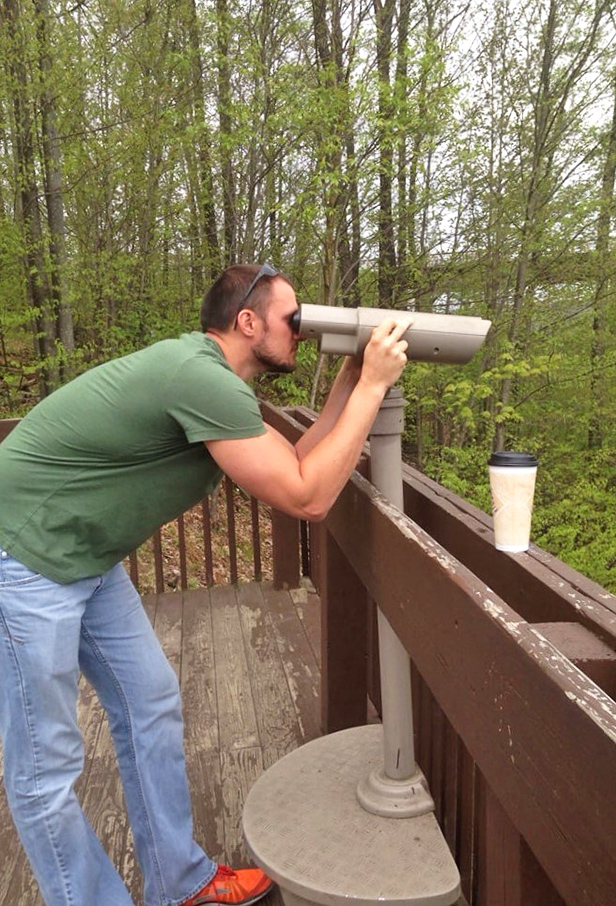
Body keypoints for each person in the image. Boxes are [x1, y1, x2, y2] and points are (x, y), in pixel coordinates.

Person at [0, 263, 410, 906]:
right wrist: (371, 391)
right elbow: (308, 498)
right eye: (291, 320)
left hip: (86, 555)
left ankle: (180, 884)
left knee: (150, 702)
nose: (300, 333)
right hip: (23, 555)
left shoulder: (214, 381)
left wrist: (352, 382)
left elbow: (298, 462)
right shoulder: (201, 378)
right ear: (247, 322)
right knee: (44, 764)